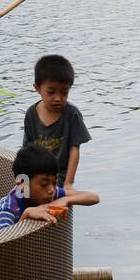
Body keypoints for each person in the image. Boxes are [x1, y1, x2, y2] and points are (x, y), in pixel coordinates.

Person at [0, 142, 99, 234]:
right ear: (22, 183)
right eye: (44, 184)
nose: (51, 189)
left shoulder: (51, 192)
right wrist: (26, 215)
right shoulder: (9, 208)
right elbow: (2, 244)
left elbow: (94, 197)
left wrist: (65, 200)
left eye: (54, 182)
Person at [23, 54, 91, 192]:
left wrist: (68, 184)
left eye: (64, 93)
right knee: (19, 201)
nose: (58, 98)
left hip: (59, 181)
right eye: (51, 92)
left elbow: (74, 149)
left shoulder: (72, 114)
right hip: (37, 180)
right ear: (37, 88)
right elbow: (26, 152)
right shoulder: (31, 114)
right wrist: (23, 183)